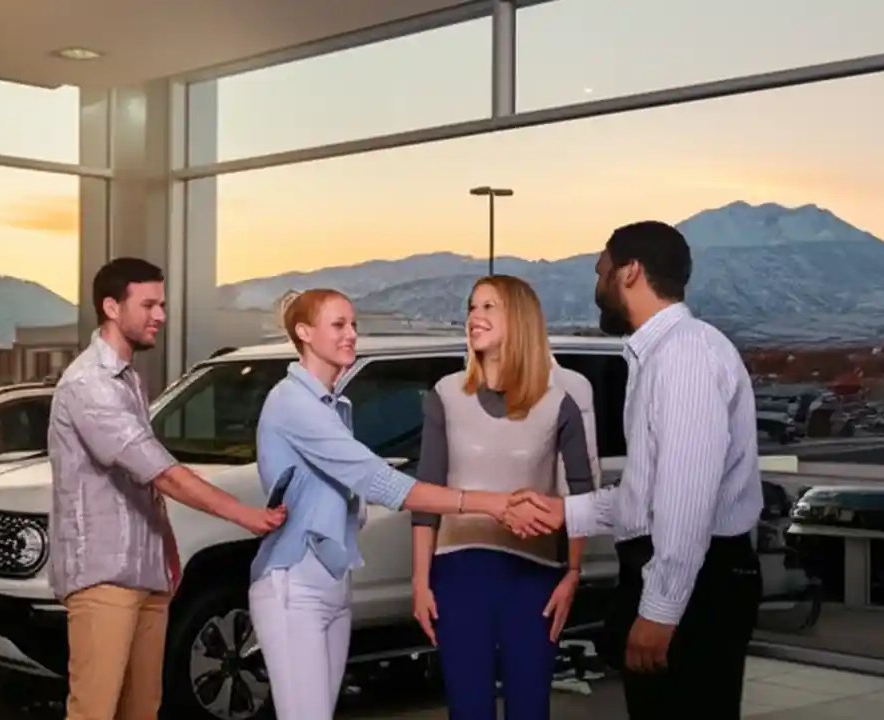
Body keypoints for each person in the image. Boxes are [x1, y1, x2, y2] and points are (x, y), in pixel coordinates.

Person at [248, 288, 548, 720]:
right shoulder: (292, 402)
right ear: (304, 333)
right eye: (339, 325)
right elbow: (378, 481)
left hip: (331, 582)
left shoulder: (335, 405)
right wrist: (493, 504)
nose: (352, 334)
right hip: (294, 584)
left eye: (354, 324)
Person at [517, 222, 764, 720]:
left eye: (601, 272)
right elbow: (650, 493)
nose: (597, 286)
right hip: (688, 575)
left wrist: (661, 609)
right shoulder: (660, 355)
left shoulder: (685, 355)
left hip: (698, 584)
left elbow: (686, 500)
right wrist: (564, 511)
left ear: (630, 272)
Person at [48, 257, 287, 720]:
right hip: (104, 577)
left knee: (143, 710)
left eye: (162, 304)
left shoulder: (129, 381)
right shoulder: (89, 385)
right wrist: (247, 515)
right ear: (112, 308)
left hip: (146, 573)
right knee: (94, 711)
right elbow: (162, 472)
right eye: (149, 304)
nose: (160, 315)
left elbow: (140, 487)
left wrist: (167, 548)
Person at [410, 275, 600, 720]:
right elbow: (425, 497)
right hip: (457, 574)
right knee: (468, 707)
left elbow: (583, 495)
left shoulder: (560, 404)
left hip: (536, 578)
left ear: (520, 318)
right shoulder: (445, 395)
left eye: (488, 307)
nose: (475, 317)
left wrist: (573, 573)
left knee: (530, 707)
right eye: (472, 307)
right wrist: (420, 582)